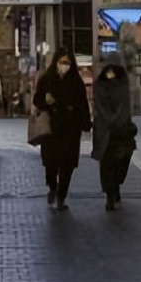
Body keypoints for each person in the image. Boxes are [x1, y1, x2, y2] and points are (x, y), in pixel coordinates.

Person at [32, 47, 91, 211]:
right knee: (51, 162)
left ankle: (62, 195)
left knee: (68, 164)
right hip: (52, 127)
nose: (64, 65)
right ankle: (52, 187)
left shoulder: (76, 81)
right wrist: (46, 101)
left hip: (71, 129)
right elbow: (37, 100)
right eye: (62, 62)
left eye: (67, 62)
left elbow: (83, 105)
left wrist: (86, 123)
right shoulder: (47, 79)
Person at [91, 52, 136, 211]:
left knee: (121, 162)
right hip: (106, 132)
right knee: (108, 163)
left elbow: (125, 105)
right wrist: (108, 120)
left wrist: (116, 120)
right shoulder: (100, 83)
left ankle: (115, 187)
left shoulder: (124, 83)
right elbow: (99, 104)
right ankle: (110, 193)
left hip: (121, 131)